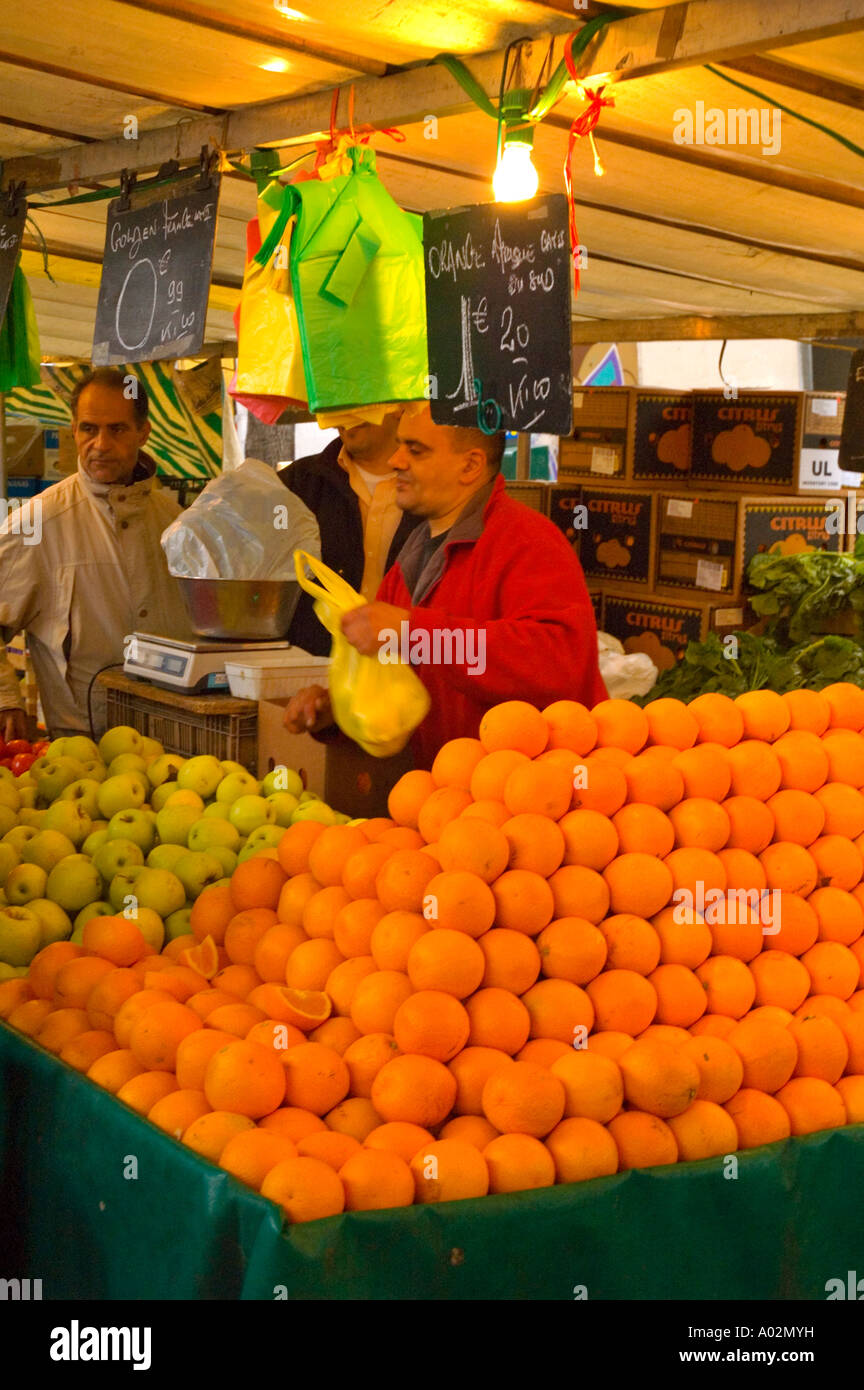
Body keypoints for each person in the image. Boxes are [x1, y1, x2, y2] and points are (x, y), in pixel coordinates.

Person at [284, 403, 607, 770]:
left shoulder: (529, 542)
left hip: (539, 797)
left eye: (415, 450)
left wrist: (414, 634)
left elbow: (557, 661)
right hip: (450, 800)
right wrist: (335, 713)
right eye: (400, 444)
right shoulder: (412, 557)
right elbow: (396, 692)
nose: (395, 460)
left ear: (469, 466)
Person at [0, 367, 192, 740]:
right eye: (89, 428)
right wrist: (6, 698)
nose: (101, 444)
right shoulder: (37, 523)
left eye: (117, 429)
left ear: (143, 432)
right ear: (74, 430)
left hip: (178, 746)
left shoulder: (178, 524)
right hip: (82, 750)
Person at [278, 410, 421, 656]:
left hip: (409, 673)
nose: (345, 411)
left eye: (360, 397)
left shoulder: (437, 491)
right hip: (311, 670)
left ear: (399, 404)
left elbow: (476, 646)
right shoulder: (295, 484)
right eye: (333, 398)